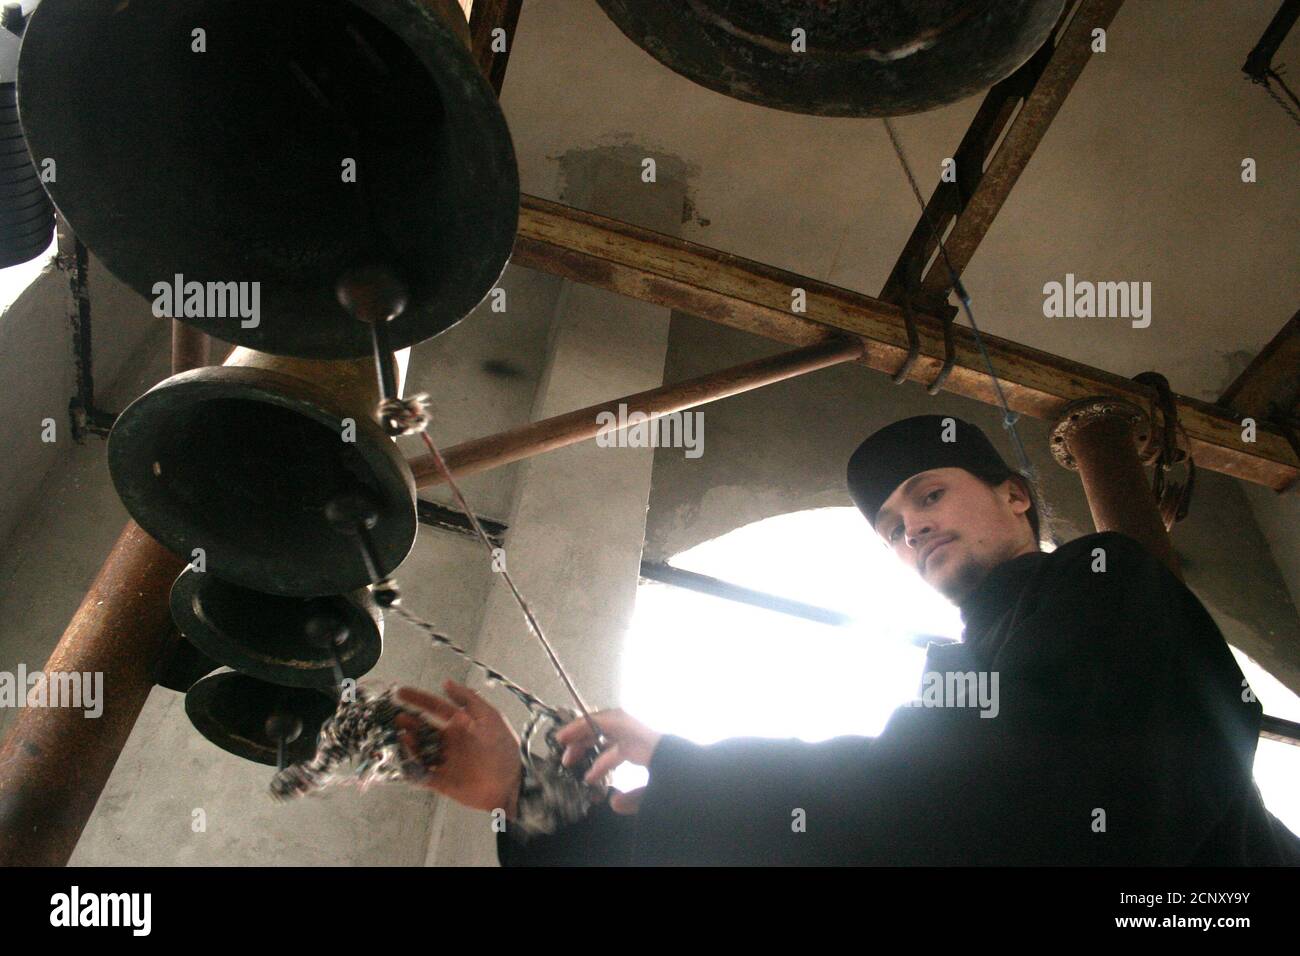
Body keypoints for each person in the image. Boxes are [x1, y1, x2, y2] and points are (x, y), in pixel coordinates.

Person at [395, 414, 1300, 865]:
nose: (912, 528)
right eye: (893, 527)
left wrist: (686, 761)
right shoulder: (951, 682)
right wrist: (536, 800)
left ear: (1017, 495)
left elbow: (956, 800)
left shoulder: (1104, 580)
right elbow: (863, 827)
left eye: (930, 495)